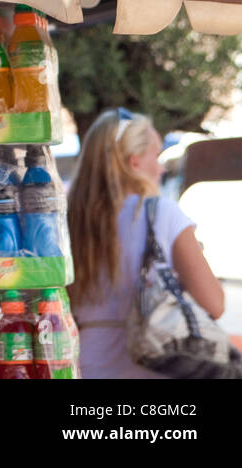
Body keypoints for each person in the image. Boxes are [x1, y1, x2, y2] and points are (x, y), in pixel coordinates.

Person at [67, 107, 225, 378]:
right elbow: (214, 304)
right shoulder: (162, 213)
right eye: (156, 154)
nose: (162, 167)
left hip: (86, 366)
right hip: (152, 365)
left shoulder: (70, 222)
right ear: (134, 162)